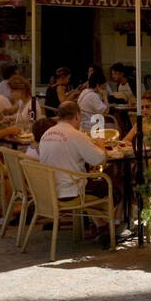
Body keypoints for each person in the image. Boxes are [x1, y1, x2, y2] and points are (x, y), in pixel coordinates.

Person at [39, 101, 111, 244]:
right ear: (77, 116)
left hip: (49, 190)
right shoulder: (76, 135)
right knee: (111, 184)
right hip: (71, 191)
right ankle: (111, 226)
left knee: (89, 181)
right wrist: (101, 145)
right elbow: (100, 159)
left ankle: (100, 225)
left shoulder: (46, 134)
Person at [78, 68, 110, 133]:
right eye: (104, 85)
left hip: (83, 124)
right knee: (117, 127)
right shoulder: (93, 96)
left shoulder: (85, 91)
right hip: (91, 126)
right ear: (98, 85)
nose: (105, 88)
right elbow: (106, 112)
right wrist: (105, 96)